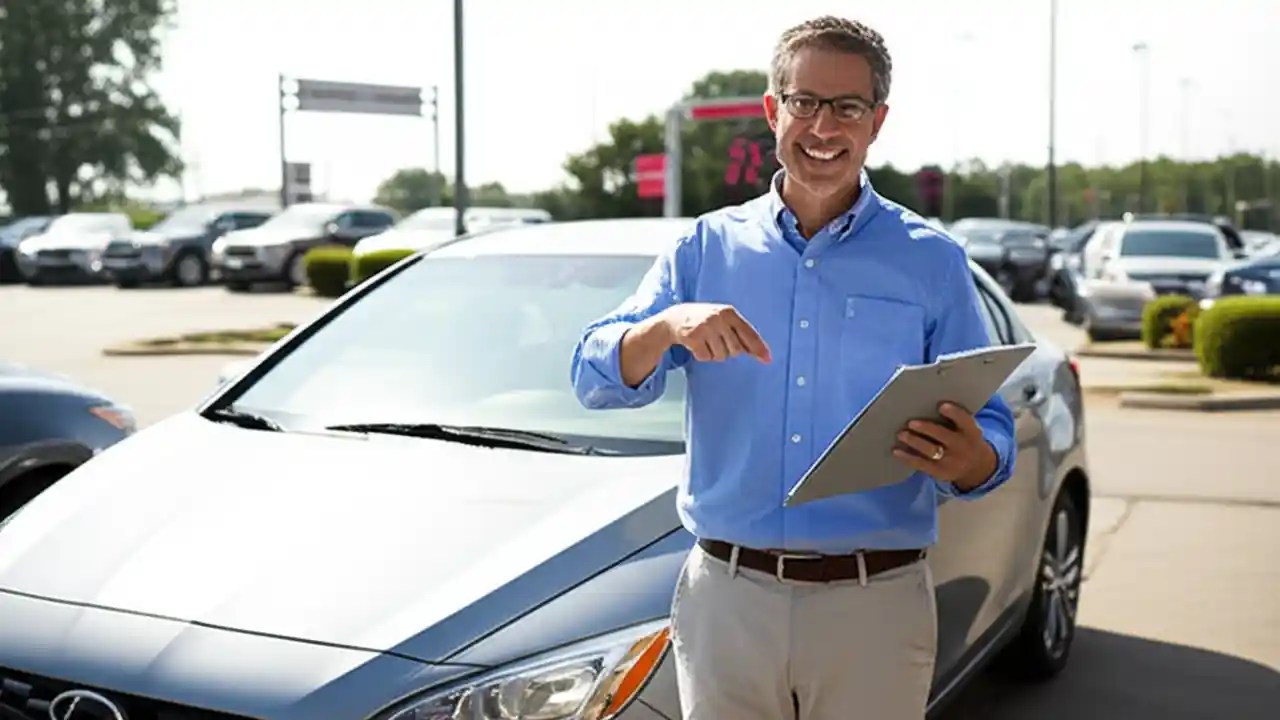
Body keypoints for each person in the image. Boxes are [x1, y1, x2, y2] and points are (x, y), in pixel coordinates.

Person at [569, 15, 1016, 720]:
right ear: (774, 110)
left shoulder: (932, 260)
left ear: (877, 122)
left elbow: (991, 434)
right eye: (805, 102)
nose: (823, 127)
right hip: (727, 599)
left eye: (847, 108)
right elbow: (590, 377)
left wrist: (971, 459)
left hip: (876, 608)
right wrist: (662, 329)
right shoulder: (704, 249)